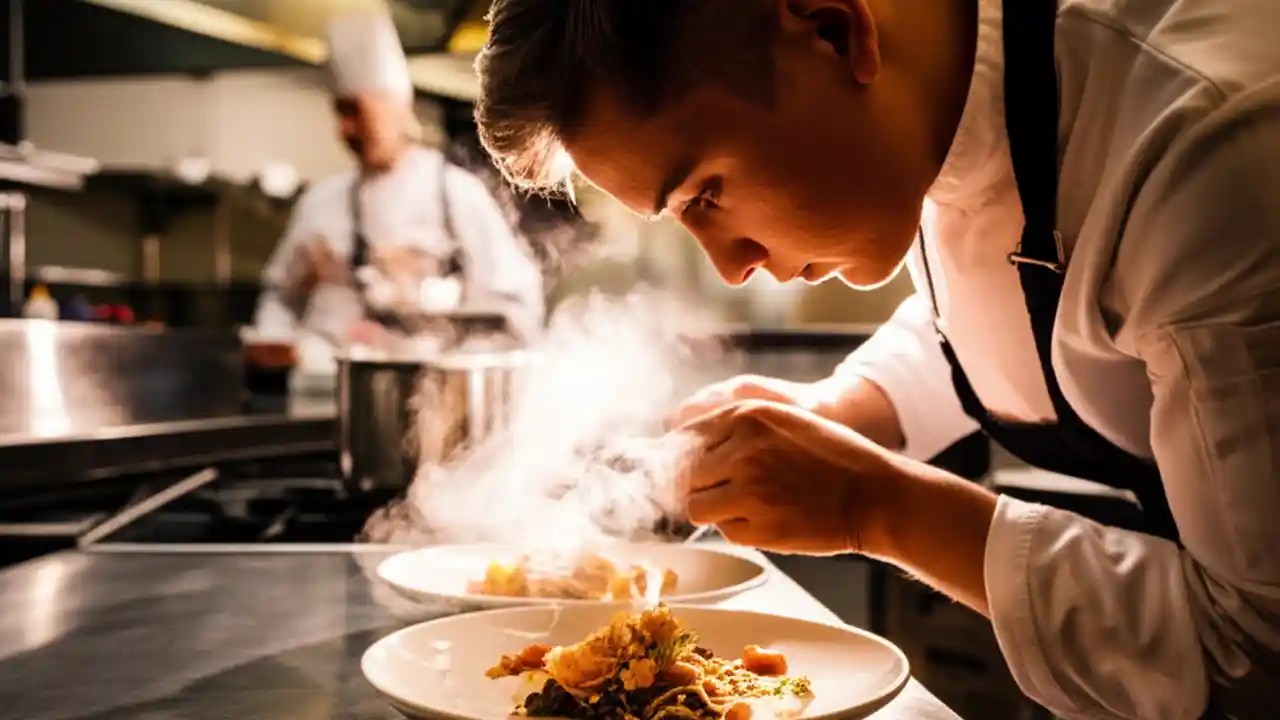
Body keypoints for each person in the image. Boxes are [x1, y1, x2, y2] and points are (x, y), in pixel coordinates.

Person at [471, 1, 1280, 718]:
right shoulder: (939, 107)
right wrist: (838, 410)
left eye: (708, 194)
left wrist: (874, 505)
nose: (729, 265)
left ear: (831, 29)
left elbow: (1256, 659)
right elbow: (991, 312)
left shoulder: (1207, 150)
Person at [252, 6, 543, 375]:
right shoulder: (319, 204)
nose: (347, 128)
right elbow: (277, 299)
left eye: (357, 110)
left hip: (431, 392)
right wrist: (280, 344)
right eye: (339, 113)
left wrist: (424, 292)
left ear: (397, 105)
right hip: (324, 392)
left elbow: (517, 308)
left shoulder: (455, 194)